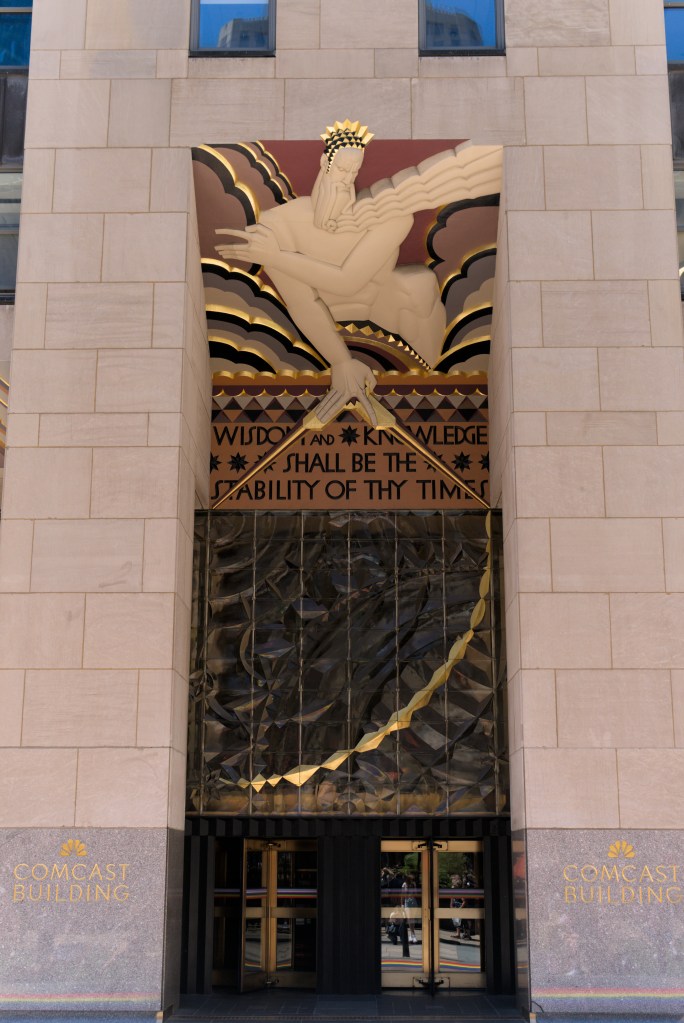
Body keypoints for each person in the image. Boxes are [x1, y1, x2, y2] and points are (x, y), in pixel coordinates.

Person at [215, 120, 450, 425]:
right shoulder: (279, 223)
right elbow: (302, 302)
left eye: (354, 171)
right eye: (341, 169)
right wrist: (341, 361)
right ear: (324, 161)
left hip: (386, 315)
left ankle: (427, 394)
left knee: (419, 283)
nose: (346, 179)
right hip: (316, 330)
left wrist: (276, 257)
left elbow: (347, 281)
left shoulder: (389, 216)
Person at [402, 873, 419, 944]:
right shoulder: (404, 884)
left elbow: (416, 894)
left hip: (413, 901)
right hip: (407, 902)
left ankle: (411, 935)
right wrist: (402, 904)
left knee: (412, 918)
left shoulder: (413, 884)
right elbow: (402, 895)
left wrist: (413, 891)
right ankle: (413, 934)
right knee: (409, 918)